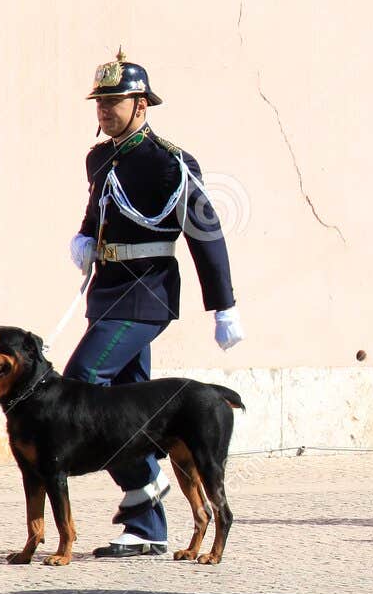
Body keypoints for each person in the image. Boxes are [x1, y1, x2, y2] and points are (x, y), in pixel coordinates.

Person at [68, 49, 242, 558]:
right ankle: (146, 528)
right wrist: (84, 238)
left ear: (141, 104)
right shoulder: (99, 157)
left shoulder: (169, 162)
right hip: (107, 289)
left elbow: (205, 233)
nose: (103, 108)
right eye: (99, 100)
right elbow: (99, 207)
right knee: (130, 405)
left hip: (145, 294)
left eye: (114, 100)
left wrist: (224, 304)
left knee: (82, 385)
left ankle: (148, 486)